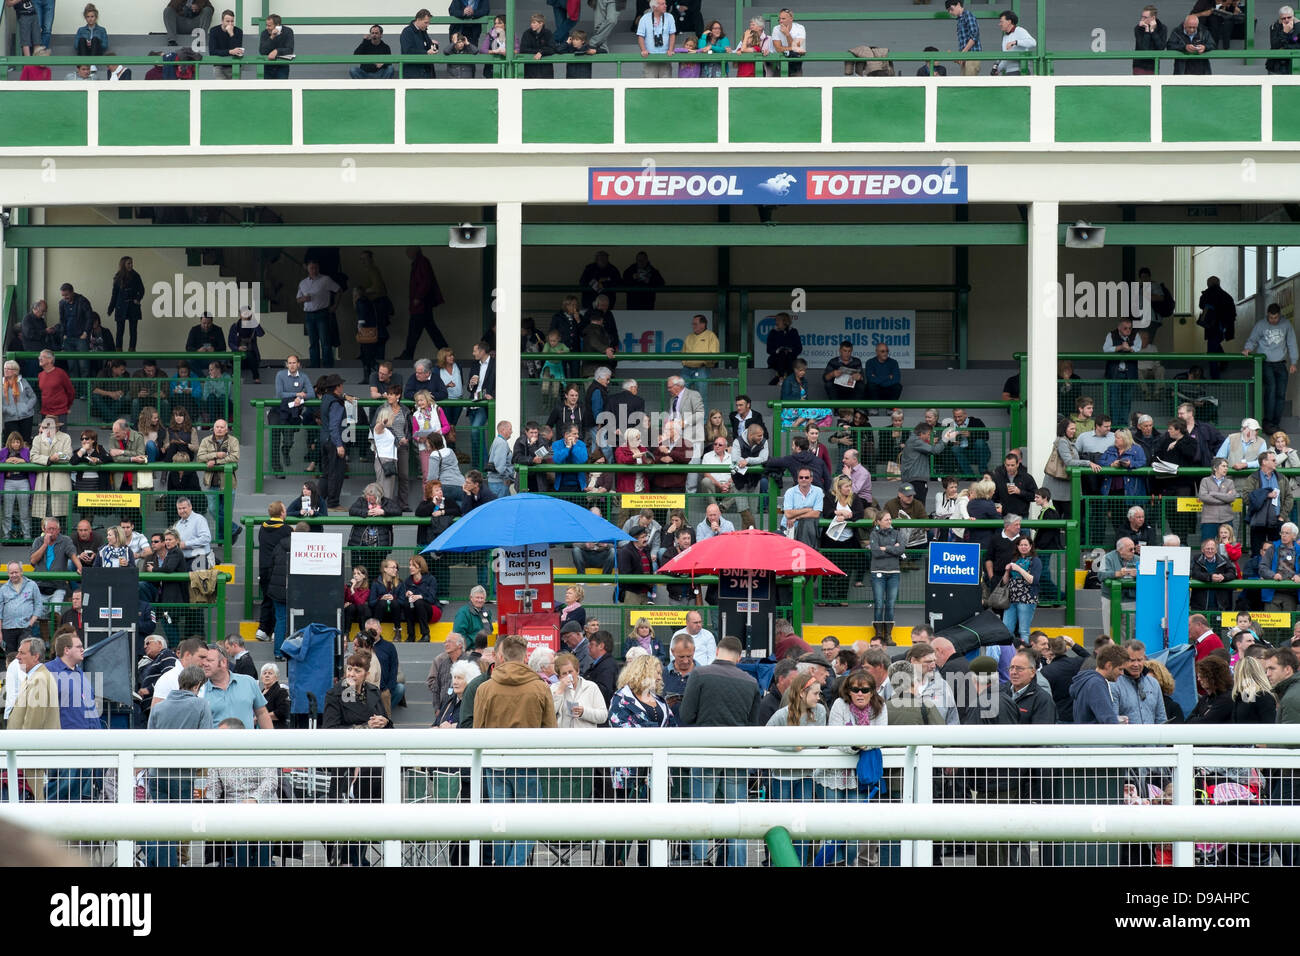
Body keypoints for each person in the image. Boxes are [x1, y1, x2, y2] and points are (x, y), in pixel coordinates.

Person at [472, 634, 555, 864]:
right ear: (525, 657)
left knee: (500, 825)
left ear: (500, 657)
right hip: (528, 763)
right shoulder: (540, 687)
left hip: (495, 763)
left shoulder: (485, 689)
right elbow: (551, 730)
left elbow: (477, 729)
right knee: (530, 822)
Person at [679, 636, 759, 866]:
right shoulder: (750, 681)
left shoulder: (700, 674)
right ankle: (738, 863)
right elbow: (753, 725)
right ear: (739, 657)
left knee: (702, 811)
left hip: (705, 750)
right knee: (737, 816)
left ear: (716, 651)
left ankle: (700, 861)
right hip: (737, 754)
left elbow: (687, 715)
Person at [1242, 303, 1298, 433]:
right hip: (1265, 362)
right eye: (1271, 317)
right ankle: (1267, 422)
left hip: (1281, 363)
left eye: (1276, 317)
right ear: (1267, 315)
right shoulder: (1261, 325)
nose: (1273, 320)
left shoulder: (1286, 325)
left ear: (1280, 315)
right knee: (1271, 389)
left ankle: (1275, 424)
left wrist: (1294, 362)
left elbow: (1292, 343)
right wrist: (1247, 349)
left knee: (1281, 393)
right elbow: (1253, 339)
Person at [1071, 643, 1126, 724]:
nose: (1122, 673)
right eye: (1120, 669)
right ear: (1109, 665)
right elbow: (1108, 719)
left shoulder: (1088, 681)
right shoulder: (1096, 684)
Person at [945, 0, 981, 74]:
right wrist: (960, 56)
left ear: (958, 4)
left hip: (972, 55)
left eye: (951, 9)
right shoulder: (959, 20)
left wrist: (963, 53)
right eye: (948, 11)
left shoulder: (968, 15)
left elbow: (974, 35)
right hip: (965, 56)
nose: (950, 12)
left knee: (969, 83)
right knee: (963, 83)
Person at [1267, 5, 1300, 73]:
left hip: (1296, 62)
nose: (1286, 20)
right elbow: (1274, 45)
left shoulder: (1298, 26)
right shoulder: (1275, 26)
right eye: (1283, 18)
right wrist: (1284, 32)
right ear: (1280, 18)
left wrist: (1285, 47)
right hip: (1278, 62)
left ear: (1293, 16)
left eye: (1289, 17)